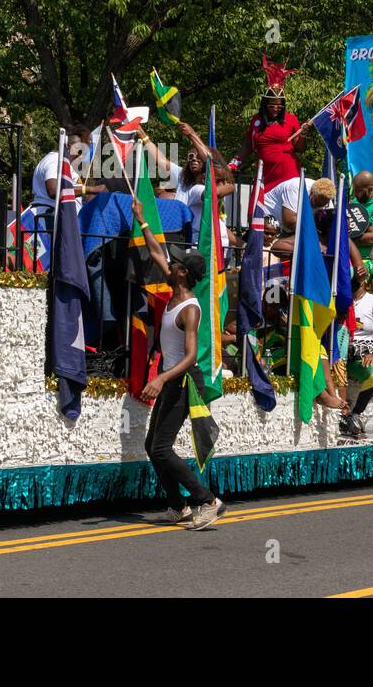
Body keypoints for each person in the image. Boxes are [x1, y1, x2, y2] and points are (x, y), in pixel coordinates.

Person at [131, 197, 226, 530]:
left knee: (161, 447)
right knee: (152, 445)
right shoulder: (176, 290)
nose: (169, 264)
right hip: (173, 379)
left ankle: (208, 500)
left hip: (184, 380)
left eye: (177, 264)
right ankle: (179, 507)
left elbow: (189, 357)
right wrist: (143, 220)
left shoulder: (189, 307)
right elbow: (157, 252)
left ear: (183, 274)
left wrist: (161, 378)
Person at [227, 57, 304, 189]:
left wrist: (303, 135)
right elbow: (248, 145)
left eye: (279, 106)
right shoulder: (256, 120)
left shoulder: (291, 119)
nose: (276, 108)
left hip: (289, 176)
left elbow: (300, 148)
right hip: (264, 176)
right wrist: (233, 164)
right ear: (264, 105)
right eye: (272, 105)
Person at [342, 267, 373, 431]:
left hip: (359, 358)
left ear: (363, 280)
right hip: (338, 355)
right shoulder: (338, 298)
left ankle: (355, 413)